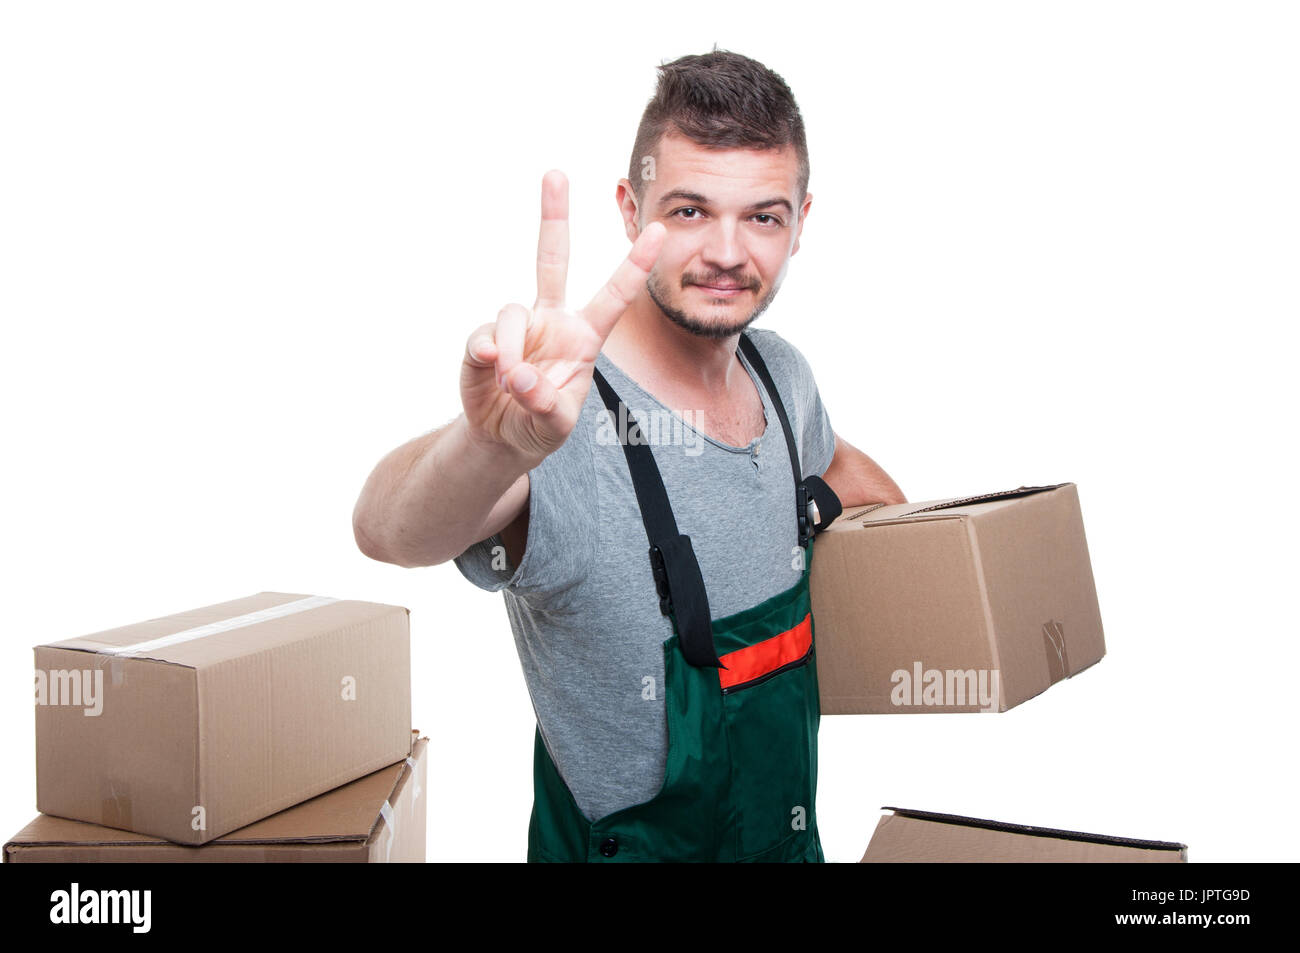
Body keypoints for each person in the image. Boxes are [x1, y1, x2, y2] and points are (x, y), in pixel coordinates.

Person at [352, 48, 905, 862]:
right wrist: (487, 445)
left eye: (762, 215)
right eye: (688, 211)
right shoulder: (564, 425)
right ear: (629, 207)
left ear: (801, 220)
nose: (727, 251)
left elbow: (860, 488)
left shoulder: (782, 375)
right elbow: (388, 530)